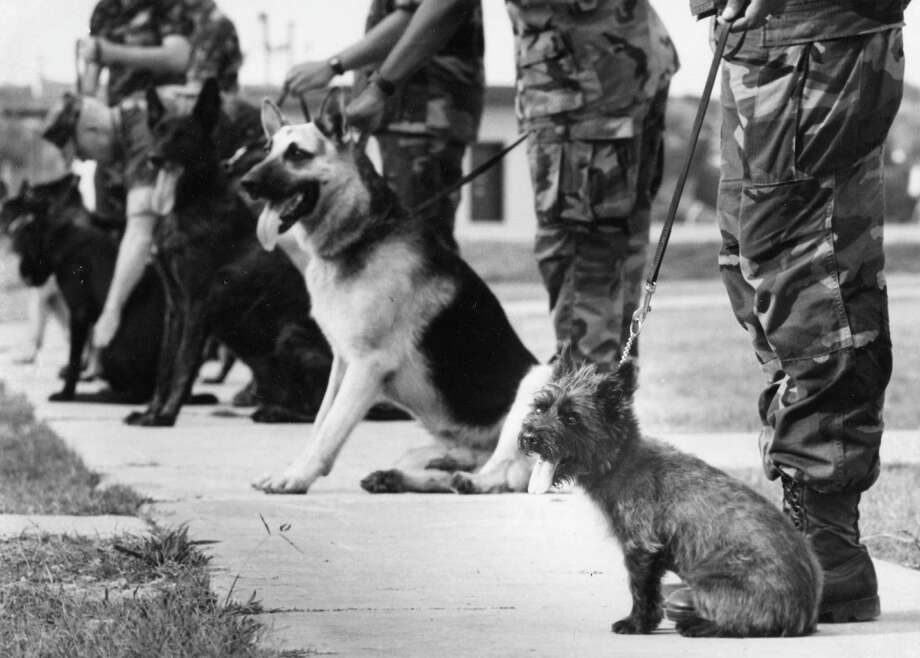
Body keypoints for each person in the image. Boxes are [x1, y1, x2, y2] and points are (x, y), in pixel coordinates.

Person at [672, 0, 907, 624]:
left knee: (811, 275)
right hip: (764, 41)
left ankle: (827, 541)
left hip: (818, 33)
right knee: (755, 265)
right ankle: (808, 520)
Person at [348, 0, 678, 369]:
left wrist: (382, 85)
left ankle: (583, 406)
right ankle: (609, 404)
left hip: (579, 81)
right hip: (629, 62)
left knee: (579, 246)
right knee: (618, 242)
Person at [72, 0, 243, 348]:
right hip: (119, 125)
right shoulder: (105, 10)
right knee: (119, 225)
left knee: (155, 229)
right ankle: (126, 341)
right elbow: (90, 84)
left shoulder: (173, 8)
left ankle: (148, 333)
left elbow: (180, 59)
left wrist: (109, 51)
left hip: (163, 126)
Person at [284, 0, 485, 250]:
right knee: (411, 242)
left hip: (423, 113)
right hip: (415, 114)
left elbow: (413, 19)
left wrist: (332, 66)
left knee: (417, 246)